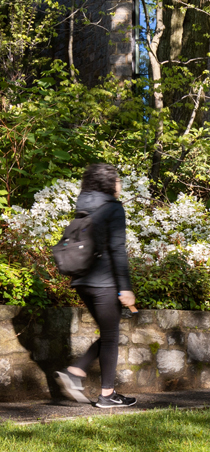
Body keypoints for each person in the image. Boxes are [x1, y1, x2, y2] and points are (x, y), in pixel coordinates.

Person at [52, 163, 138, 408]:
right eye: (117, 180)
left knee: (108, 333)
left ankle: (77, 373)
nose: (120, 185)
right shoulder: (113, 208)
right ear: (108, 183)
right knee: (111, 337)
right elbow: (117, 250)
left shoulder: (84, 206)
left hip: (81, 280)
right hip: (104, 282)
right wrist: (126, 288)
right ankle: (106, 394)